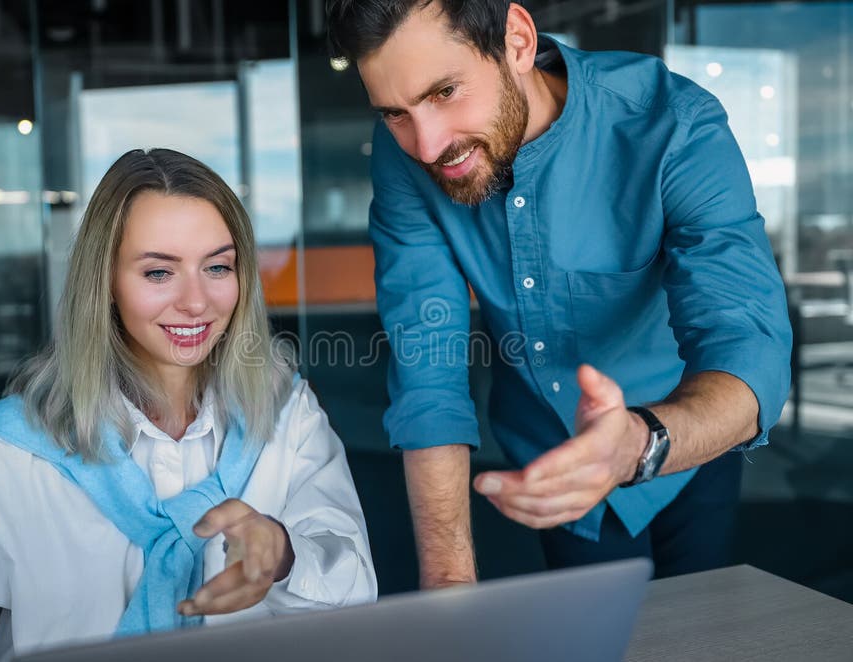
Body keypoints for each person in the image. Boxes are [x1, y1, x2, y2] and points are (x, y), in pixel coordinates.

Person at [325, 0, 791, 587]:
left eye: (445, 91)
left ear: (517, 41)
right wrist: (448, 586)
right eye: (395, 112)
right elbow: (429, 362)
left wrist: (639, 445)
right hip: (551, 451)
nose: (425, 145)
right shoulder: (406, 158)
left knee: (703, 631)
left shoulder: (674, 122)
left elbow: (746, 339)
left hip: (690, 432)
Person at [0, 148, 377, 660]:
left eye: (218, 267)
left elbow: (356, 592)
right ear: (105, 282)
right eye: (159, 272)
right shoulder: (9, 457)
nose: (197, 301)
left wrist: (285, 555)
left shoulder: (287, 413)